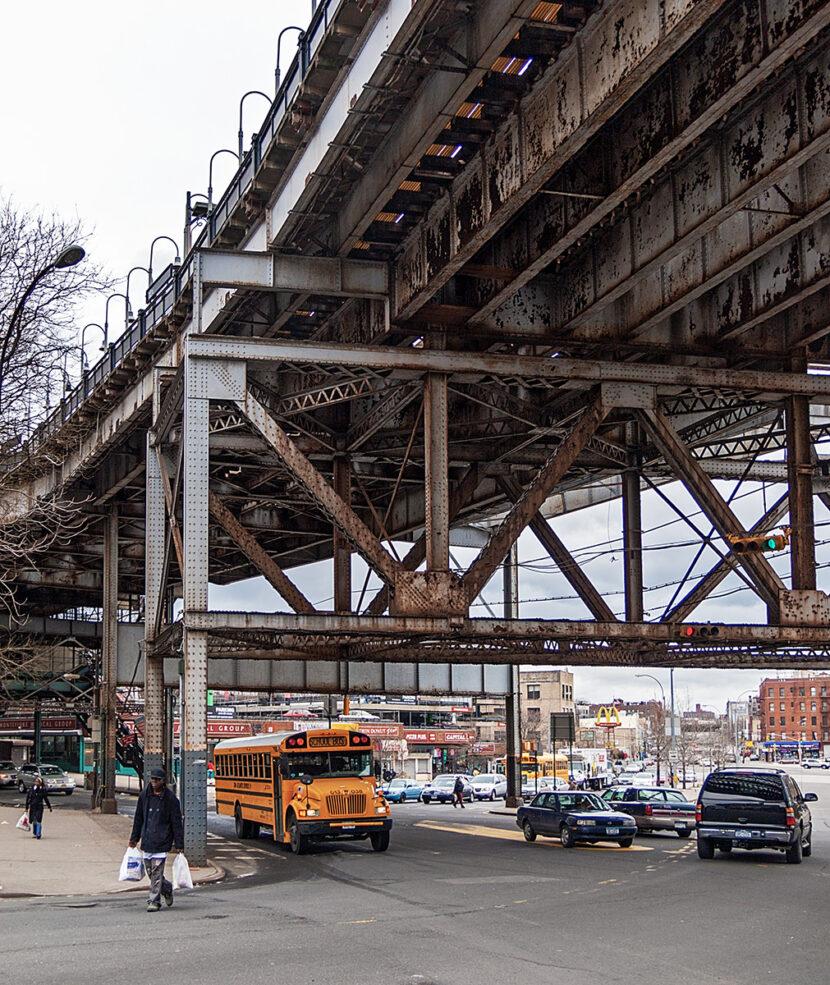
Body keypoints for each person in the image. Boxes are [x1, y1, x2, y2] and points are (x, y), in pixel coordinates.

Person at [129, 768, 184, 912]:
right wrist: (134, 838)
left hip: (162, 841)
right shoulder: (144, 796)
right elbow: (138, 818)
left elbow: (176, 823)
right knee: (151, 872)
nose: (154, 782)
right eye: (152, 779)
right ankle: (166, 888)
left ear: (163, 781)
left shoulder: (171, 799)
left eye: (157, 780)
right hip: (147, 840)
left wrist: (179, 844)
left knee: (157, 872)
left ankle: (154, 901)